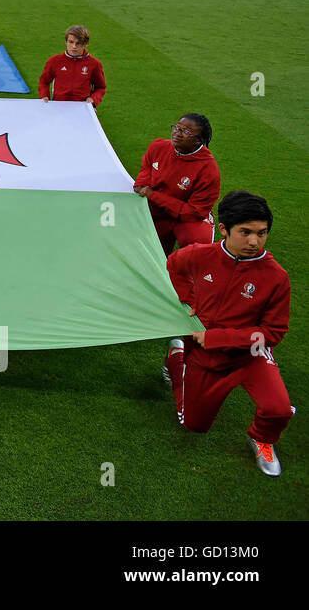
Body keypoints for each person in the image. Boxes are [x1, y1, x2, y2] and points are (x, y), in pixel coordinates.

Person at [161, 191, 292, 477]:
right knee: (193, 425)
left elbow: (274, 331)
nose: (254, 241)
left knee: (279, 409)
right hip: (204, 359)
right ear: (224, 229)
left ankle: (262, 439)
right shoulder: (199, 254)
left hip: (251, 357)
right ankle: (176, 357)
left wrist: (218, 337)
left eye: (262, 233)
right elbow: (172, 267)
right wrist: (187, 301)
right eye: (245, 232)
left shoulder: (276, 276)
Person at [134, 113, 221, 255]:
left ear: (198, 140)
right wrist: (142, 183)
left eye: (186, 131)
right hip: (159, 208)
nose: (177, 133)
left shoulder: (208, 169)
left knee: (197, 242)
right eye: (176, 128)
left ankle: (191, 273)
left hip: (190, 217)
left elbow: (195, 212)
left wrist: (153, 195)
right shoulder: (158, 146)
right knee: (145, 247)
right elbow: (147, 167)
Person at [38, 24, 107, 108]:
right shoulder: (54, 61)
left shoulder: (94, 64)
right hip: (58, 106)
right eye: (71, 42)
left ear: (86, 44)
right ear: (66, 41)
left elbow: (100, 87)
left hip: (82, 107)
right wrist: (44, 95)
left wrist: (93, 99)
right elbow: (44, 82)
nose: (74, 46)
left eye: (78, 43)